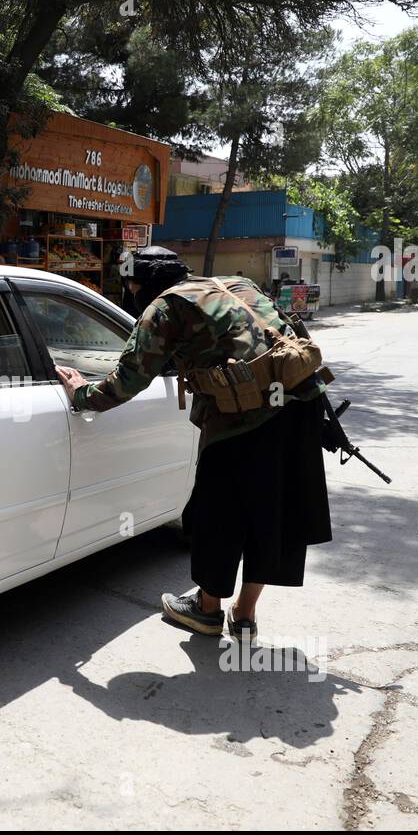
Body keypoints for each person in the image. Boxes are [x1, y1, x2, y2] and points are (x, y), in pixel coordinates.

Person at [55, 275, 331, 643]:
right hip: (301, 407)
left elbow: (128, 380)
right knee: (275, 515)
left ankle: (206, 611)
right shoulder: (236, 283)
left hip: (242, 421)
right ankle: (245, 616)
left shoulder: (165, 307)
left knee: (218, 516)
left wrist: (80, 393)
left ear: (140, 286)